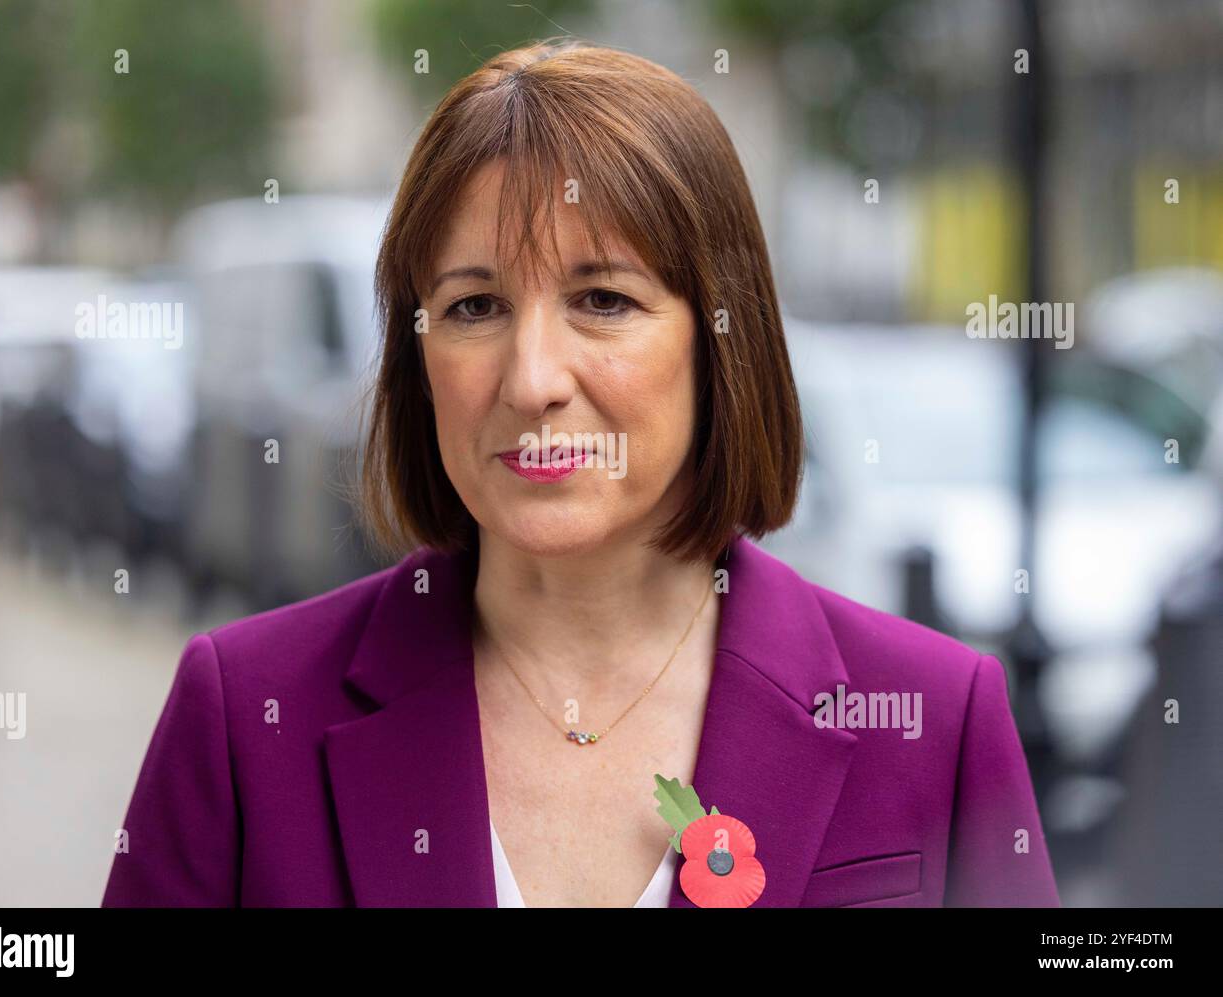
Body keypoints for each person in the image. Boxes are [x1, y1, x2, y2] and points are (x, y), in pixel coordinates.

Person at [102, 39, 1060, 908]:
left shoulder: (933, 720)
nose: (531, 380)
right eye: (475, 307)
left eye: (603, 299)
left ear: (723, 338)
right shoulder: (243, 717)